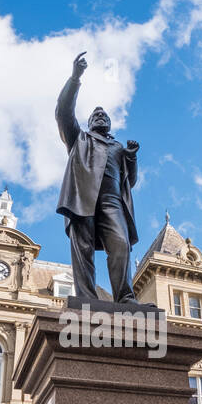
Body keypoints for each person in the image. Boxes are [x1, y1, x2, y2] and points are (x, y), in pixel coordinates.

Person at [55, 52, 141, 304]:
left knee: (121, 245)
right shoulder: (78, 139)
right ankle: (87, 297)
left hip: (112, 201)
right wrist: (75, 78)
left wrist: (132, 158)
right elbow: (63, 113)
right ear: (90, 123)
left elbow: (130, 182)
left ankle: (125, 298)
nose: (101, 116)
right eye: (95, 115)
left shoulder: (118, 147)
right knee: (83, 250)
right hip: (83, 198)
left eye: (104, 115)